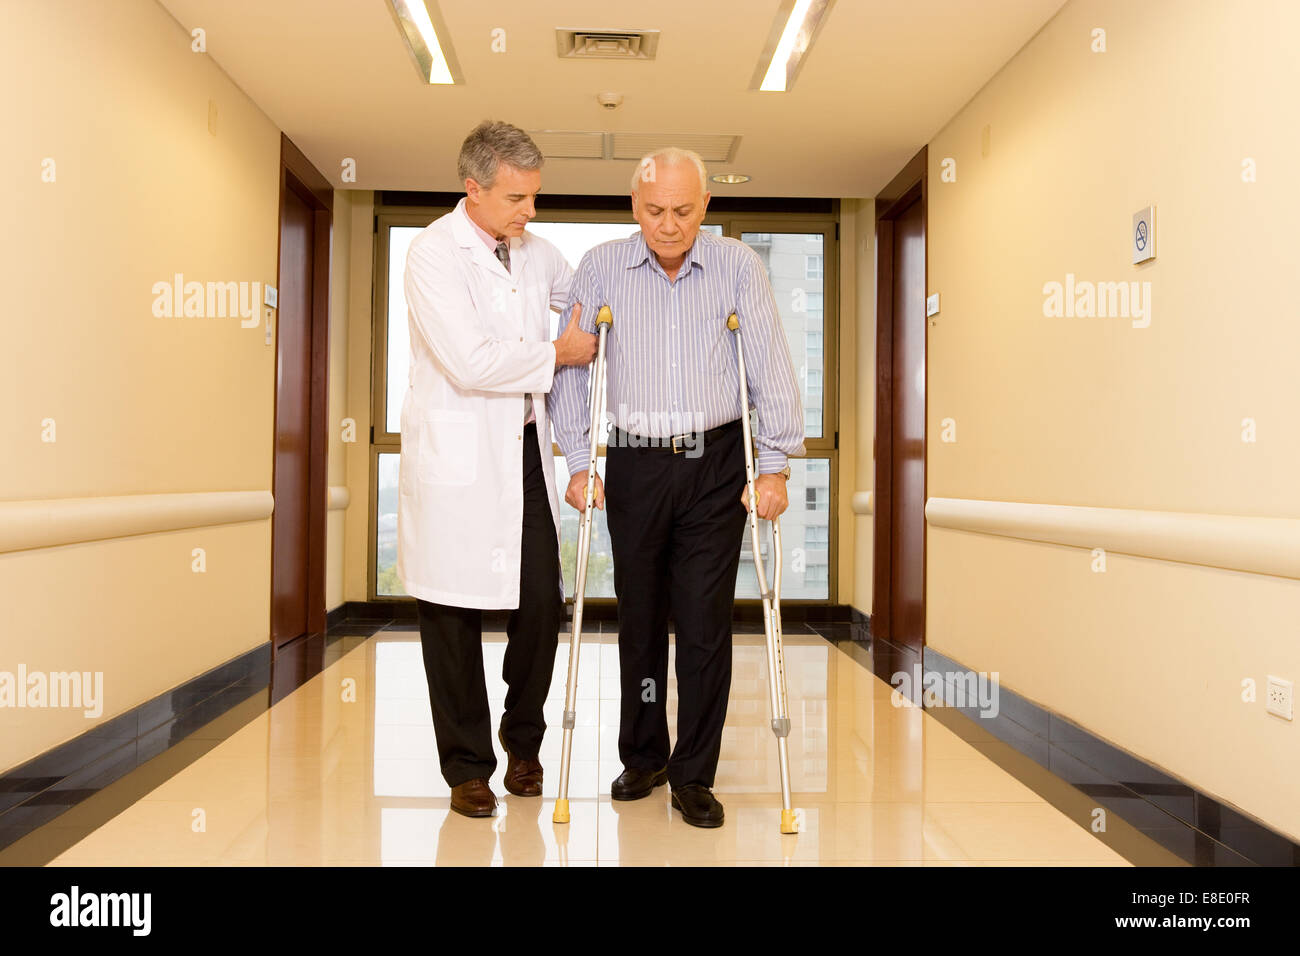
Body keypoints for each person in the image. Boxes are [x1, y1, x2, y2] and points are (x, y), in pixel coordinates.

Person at [550, 147, 805, 828]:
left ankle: (694, 772)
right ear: (635, 207)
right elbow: (573, 369)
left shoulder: (737, 268)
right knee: (639, 616)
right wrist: (579, 460)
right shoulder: (601, 266)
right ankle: (644, 756)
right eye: (656, 211)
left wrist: (774, 462)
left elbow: (769, 365)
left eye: (683, 211)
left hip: (715, 461)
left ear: (706, 206)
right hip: (634, 458)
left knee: (702, 621)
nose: (669, 225)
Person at [397, 120, 597, 818]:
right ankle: (467, 768)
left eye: (535, 197)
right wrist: (560, 354)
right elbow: (471, 360)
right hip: (458, 461)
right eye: (517, 198)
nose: (530, 212)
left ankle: (524, 743)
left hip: (523, 455)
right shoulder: (431, 254)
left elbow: (585, 303)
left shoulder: (535, 253)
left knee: (539, 604)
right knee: (449, 618)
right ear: (472, 188)